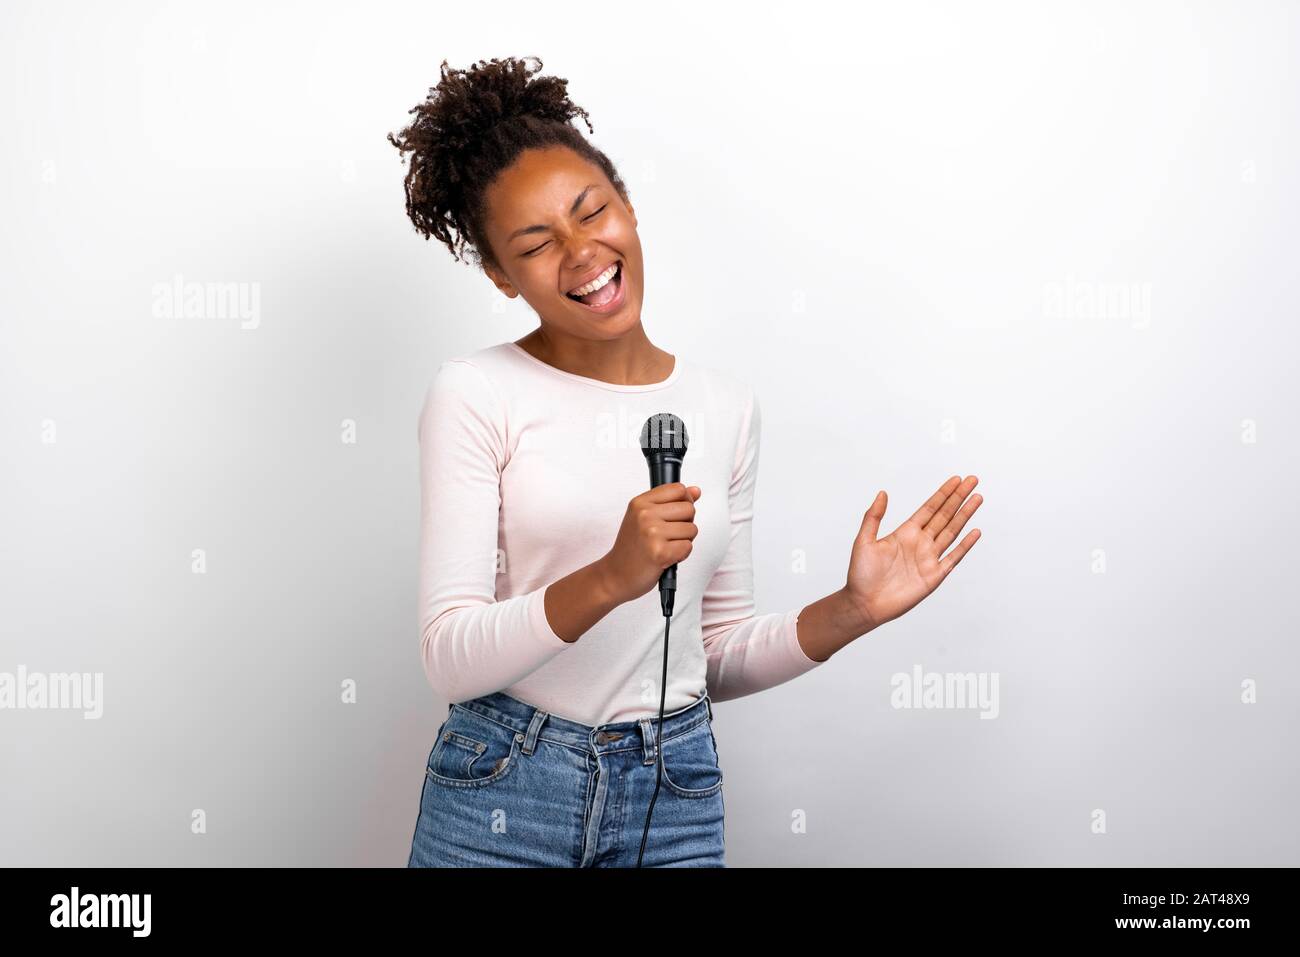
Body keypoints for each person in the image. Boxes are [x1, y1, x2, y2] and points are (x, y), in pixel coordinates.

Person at [388, 56, 984, 868]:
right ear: (499, 274)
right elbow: (448, 655)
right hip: (504, 784)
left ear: (627, 207)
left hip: (673, 790)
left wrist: (853, 608)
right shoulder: (475, 392)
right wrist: (610, 575)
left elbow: (717, 652)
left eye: (592, 211)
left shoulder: (725, 407)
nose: (580, 253)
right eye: (535, 244)